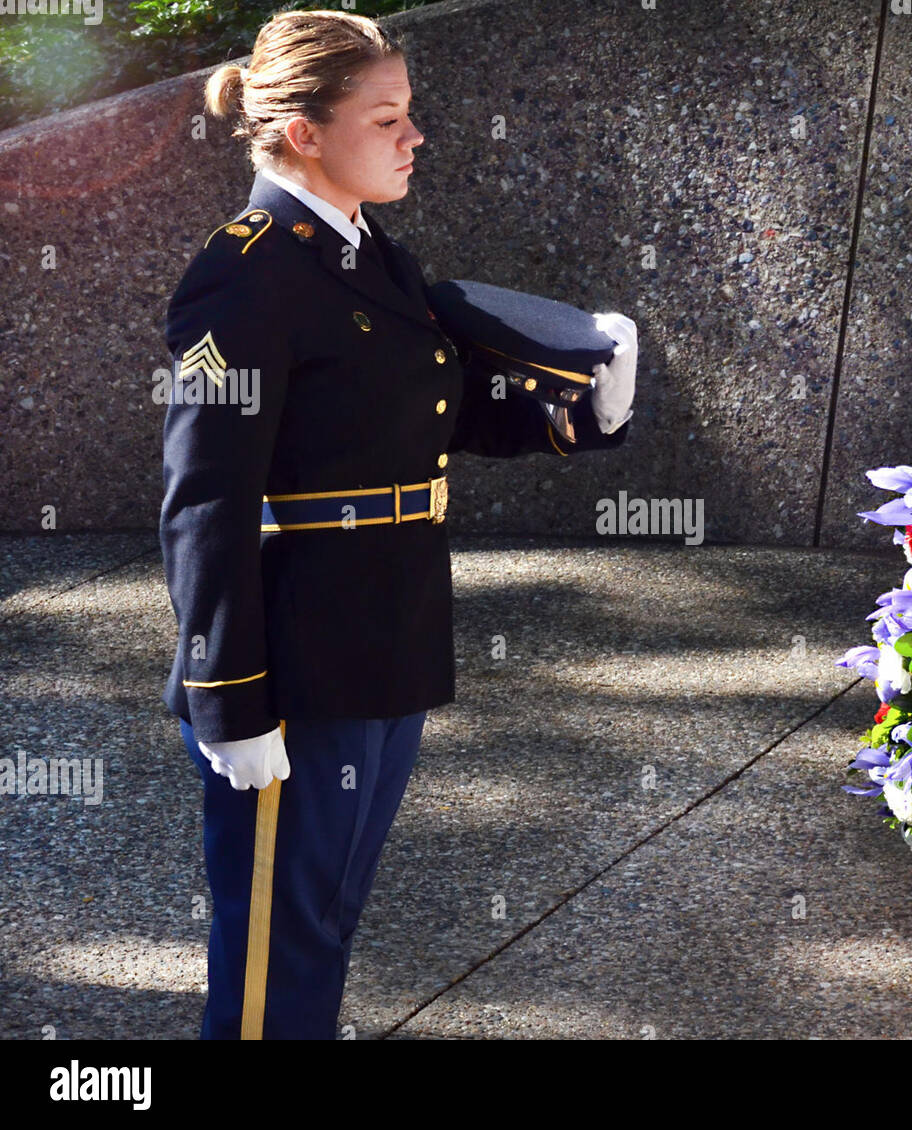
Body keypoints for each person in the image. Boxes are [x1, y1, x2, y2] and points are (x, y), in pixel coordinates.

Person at [159, 9, 636, 1040]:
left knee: (326, 917)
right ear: (304, 133)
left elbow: (433, 414)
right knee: (276, 939)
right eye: (387, 118)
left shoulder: (370, 254)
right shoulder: (244, 273)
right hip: (294, 658)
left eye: (409, 112)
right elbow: (206, 498)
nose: (414, 136)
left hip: (388, 634)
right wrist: (226, 696)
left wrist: (574, 416)